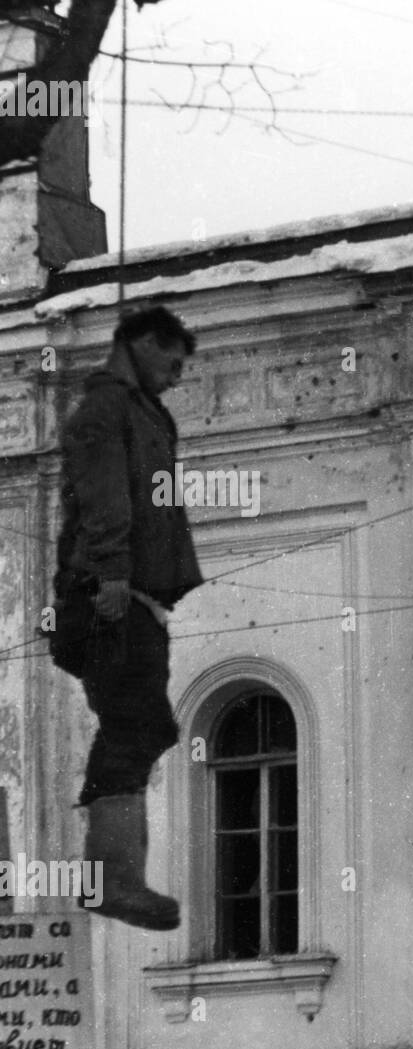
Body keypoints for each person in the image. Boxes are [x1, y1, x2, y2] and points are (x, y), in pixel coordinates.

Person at [47, 306, 203, 931]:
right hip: (108, 595)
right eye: (170, 362)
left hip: (132, 597)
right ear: (140, 343)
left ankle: (118, 877)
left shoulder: (133, 409)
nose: (175, 376)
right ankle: (112, 879)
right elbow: (105, 494)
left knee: (144, 725)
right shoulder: (104, 411)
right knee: (133, 722)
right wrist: (112, 575)